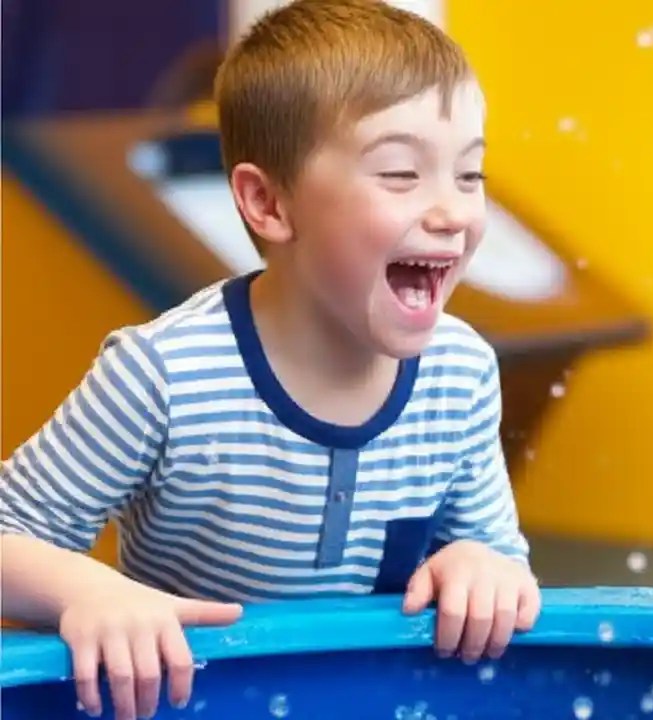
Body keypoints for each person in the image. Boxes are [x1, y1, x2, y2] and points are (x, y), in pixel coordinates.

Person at [0, 2, 539, 718]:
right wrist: (89, 593)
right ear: (268, 203)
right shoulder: (164, 376)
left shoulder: (460, 374)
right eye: (403, 174)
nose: (453, 212)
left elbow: (498, 556)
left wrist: (482, 567)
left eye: (470, 176)